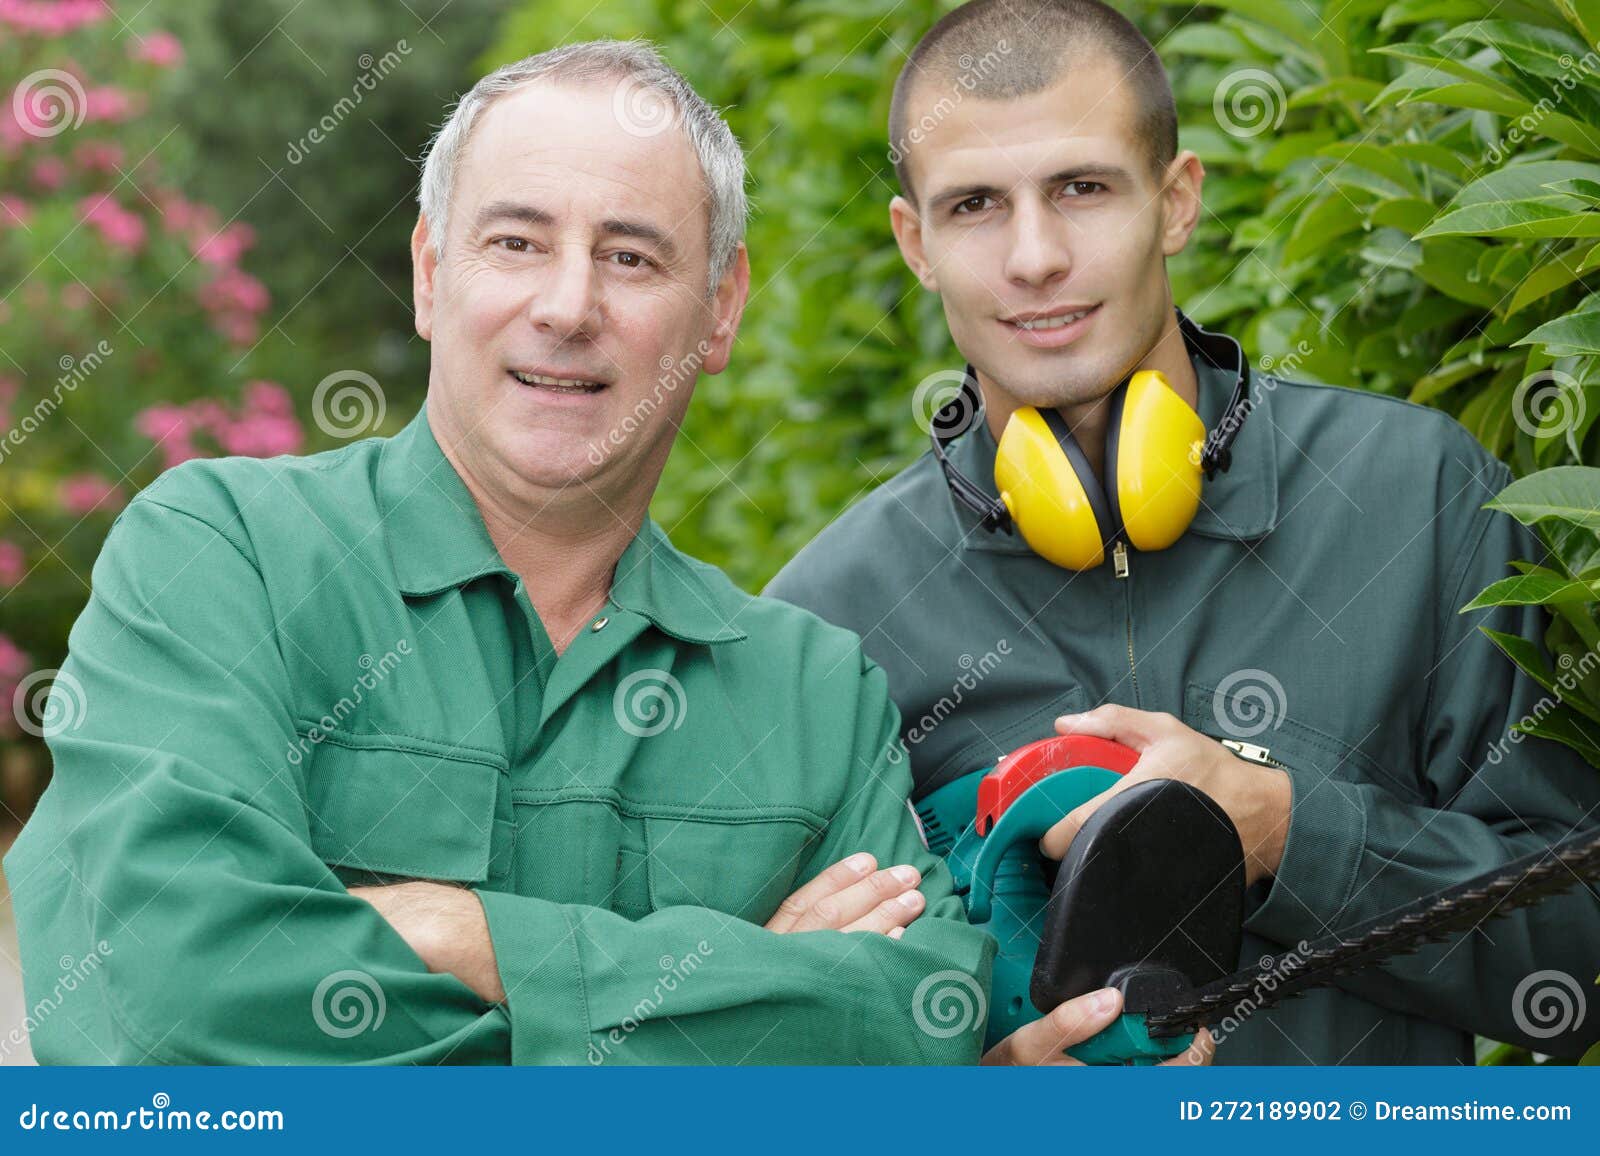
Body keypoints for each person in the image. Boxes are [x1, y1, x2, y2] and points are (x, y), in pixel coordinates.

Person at [2, 40, 1017, 1066]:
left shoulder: (813, 692)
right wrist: (736, 987)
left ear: (721, 307)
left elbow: (916, 1025)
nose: (567, 308)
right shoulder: (225, 556)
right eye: (517, 243)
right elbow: (178, 1001)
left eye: (630, 256)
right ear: (431, 272)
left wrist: (467, 935)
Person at [767, 0, 1600, 1064]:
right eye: (974, 205)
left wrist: (1287, 833)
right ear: (913, 243)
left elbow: (1575, 957)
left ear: (1175, 201)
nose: (1034, 256)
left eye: (1081, 188)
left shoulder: (1417, 494)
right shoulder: (824, 621)